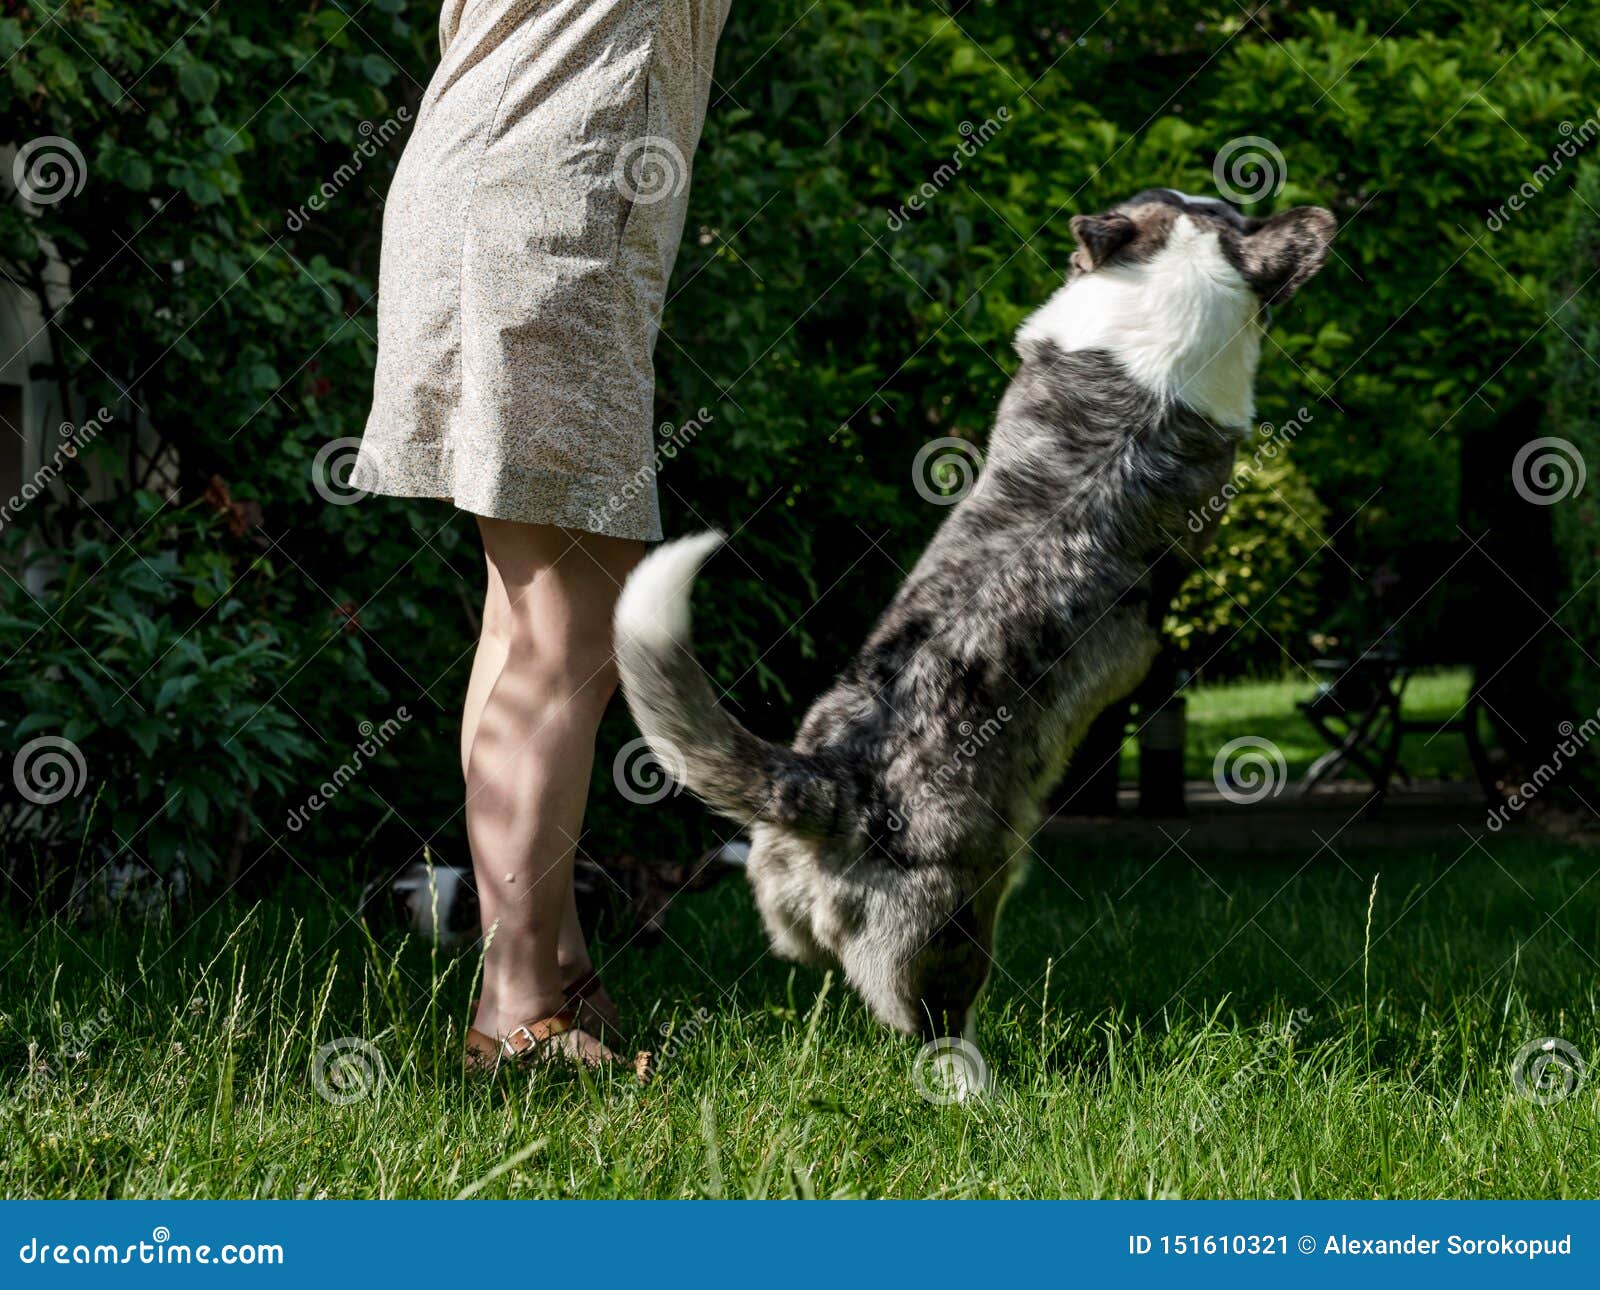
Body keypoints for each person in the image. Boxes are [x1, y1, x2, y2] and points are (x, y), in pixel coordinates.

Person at [350, 0, 732, 1070]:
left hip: (507, 190)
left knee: (526, 624)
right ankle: (519, 1009)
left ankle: (549, 963)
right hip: (550, 213)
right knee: (569, 637)